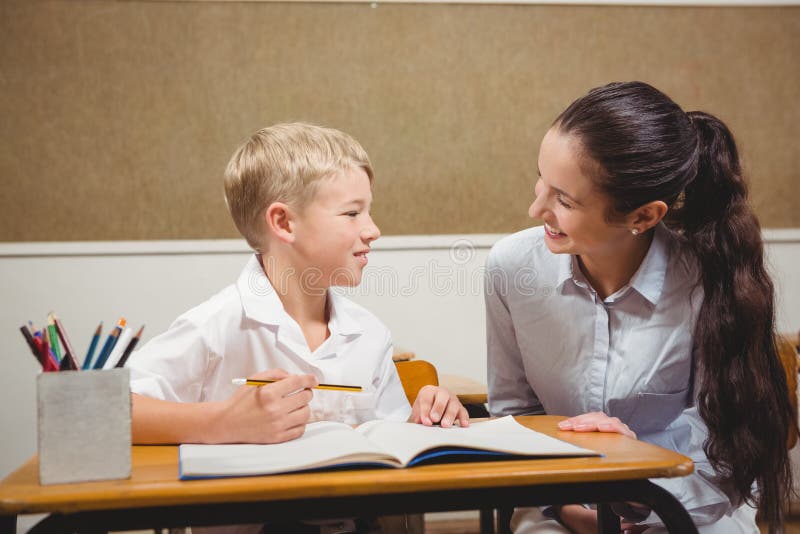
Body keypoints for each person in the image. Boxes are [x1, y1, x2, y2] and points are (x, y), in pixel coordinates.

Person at [127, 123, 468, 532]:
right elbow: (111, 413)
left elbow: (390, 447)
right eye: (352, 212)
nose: (373, 229)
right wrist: (223, 422)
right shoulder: (215, 326)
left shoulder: (369, 333)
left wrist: (423, 423)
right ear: (284, 223)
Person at [485, 82, 794, 533]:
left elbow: (726, 454)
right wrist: (570, 508)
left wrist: (638, 491)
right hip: (562, 503)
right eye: (541, 181)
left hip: (688, 506)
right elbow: (515, 415)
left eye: (564, 200)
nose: (536, 209)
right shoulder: (511, 268)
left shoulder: (709, 281)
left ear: (644, 216)